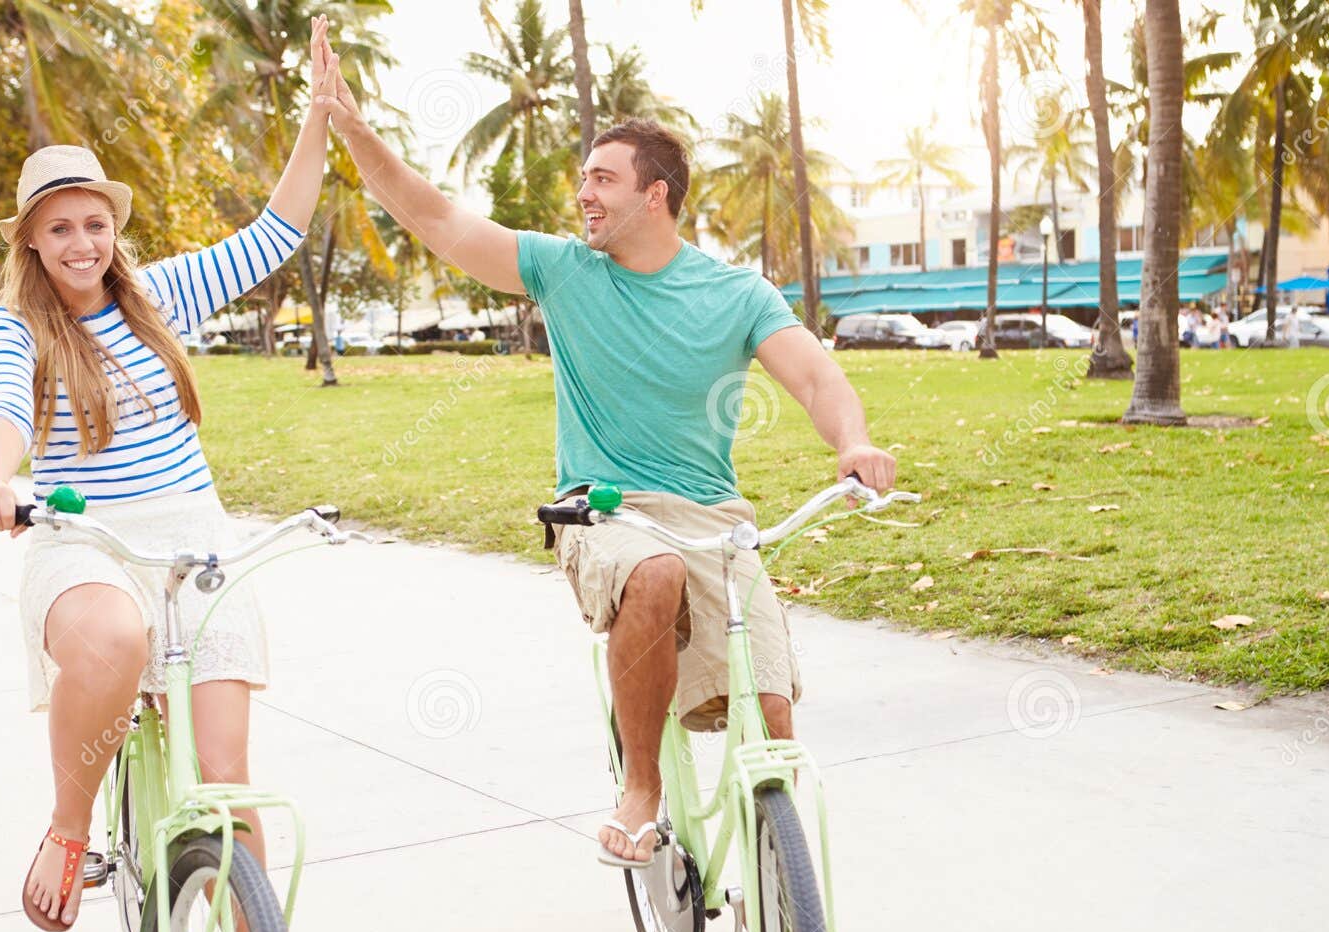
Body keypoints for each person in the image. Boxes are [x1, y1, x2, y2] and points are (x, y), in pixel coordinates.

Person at [317, 57, 897, 867]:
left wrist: (852, 441)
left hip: (714, 518)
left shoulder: (735, 292)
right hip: (606, 508)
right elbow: (438, 218)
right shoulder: (564, 270)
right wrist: (351, 128)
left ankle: (786, 918)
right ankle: (643, 786)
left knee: (772, 715)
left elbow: (813, 374)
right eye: (584, 178)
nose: (583, 194)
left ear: (653, 194)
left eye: (602, 179)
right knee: (652, 573)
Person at [0, 17, 334, 932]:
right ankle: (70, 825)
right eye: (61, 228)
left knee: (228, 782)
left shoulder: (160, 295)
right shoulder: (16, 327)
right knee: (116, 634)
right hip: (83, 537)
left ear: (112, 231)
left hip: (193, 537)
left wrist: (319, 117)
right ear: (34, 244)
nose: (82, 242)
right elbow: (2, 410)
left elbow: (275, 231)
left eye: (95, 223)